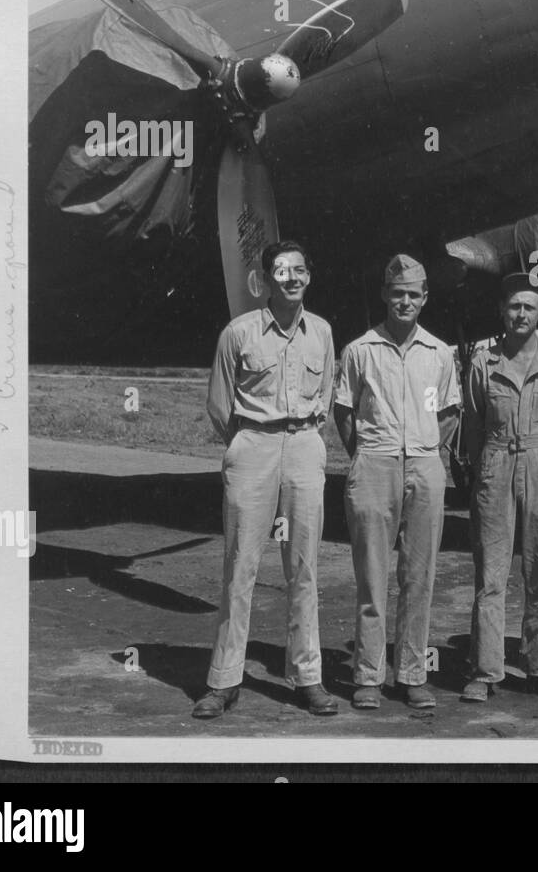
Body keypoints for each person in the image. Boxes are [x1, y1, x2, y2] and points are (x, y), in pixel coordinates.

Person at [195, 240, 338, 719]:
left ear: (309, 277)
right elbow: (219, 406)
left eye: (300, 270)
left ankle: (307, 678)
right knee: (240, 566)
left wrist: (302, 437)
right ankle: (223, 680)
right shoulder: (238, 333)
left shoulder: (321, 332)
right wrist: (246, 442)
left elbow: (328, 390)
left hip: (304, 445)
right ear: (266, 279)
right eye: (281, 271)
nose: (291, 278)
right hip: (253, 443)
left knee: (304, 567)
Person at [334, 255, 461, 710]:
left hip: (425, 466)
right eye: (397, 293)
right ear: (385, 295)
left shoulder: (440, 353)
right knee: (372, 575)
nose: (405, 301)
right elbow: (344, 412)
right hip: (375, 463)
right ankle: (368, 674)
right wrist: (368, 456)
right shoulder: (360, 350)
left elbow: (448, 413)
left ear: (425, 298)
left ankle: (412, 674)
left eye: (414, 294)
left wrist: (427, 453)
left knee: (419, 576)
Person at [461, 273, 538, 703]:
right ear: (502, 310)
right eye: (514, 306)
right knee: (491, 575)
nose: (520, 314)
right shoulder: (483, 362)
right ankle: (484, 670)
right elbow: (473, 425)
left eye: (529, 307)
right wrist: (490, 465)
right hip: (496, 464)